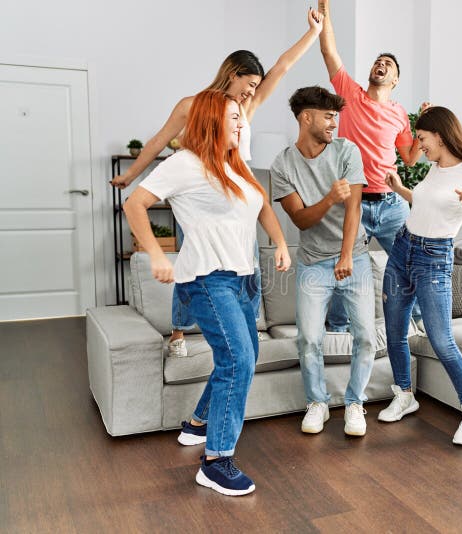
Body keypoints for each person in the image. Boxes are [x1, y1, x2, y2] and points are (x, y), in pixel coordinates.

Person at [112, 8, 323, 357]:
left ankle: (242, 327)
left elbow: (282, 66)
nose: (251, 92)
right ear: (234, 74)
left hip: (239, 196)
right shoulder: (193, 105)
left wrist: (313, 34)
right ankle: (178, 332)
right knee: (193, 267)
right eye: (249, 84)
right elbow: (159, 141)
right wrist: (131, 175)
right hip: (202, 196)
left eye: (256, 87)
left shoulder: (247, 107)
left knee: (248, 267)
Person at [124, 90, 291, 496]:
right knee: (239, 360)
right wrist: (156, 255)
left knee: (240, 355)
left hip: (242, 279)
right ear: (211, 121)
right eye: (234, 117)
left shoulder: (234, 165)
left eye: (241, 118)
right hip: (207, 279)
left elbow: (262, 204)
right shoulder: (185, 164)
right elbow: (135, 203)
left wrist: (280, 240)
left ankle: (198, 422)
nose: (240, 124)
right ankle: (216, 461)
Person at [378, 106, 462, 446]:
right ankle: (405, 395)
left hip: (434, 259)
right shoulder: (434, 169)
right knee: (394, 332)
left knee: (441, 339)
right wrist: (399, 188)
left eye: (422, 139)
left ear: (440, 134)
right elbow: (424, 208)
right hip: (402, 249)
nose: (420, 147)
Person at [270, 86, 377, 437]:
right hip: (313, 263)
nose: (334, 124)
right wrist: (330, 197)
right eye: (328, 116)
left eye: (336, 117)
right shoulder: (283, 164)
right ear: (306, 117)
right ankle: (318, 402)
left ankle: (354, 403)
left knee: (364, 336)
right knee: (309, 339)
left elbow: (355, 207)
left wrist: (347, 255)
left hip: (355, 257)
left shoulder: (347, 151)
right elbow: (299, 219)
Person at [317, 0, 428, 332]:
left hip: (392, 206)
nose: (381, 64)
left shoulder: (398, 113)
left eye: (388, 64)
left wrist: (422, 129)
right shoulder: (350, 95)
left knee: (410, 264)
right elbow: (329, 51)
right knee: (344, 267)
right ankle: (336, 329)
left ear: (394, 80)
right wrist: (325, 6)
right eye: (378, 61)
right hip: (355, 204)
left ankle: (421, 324)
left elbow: (409, 159)